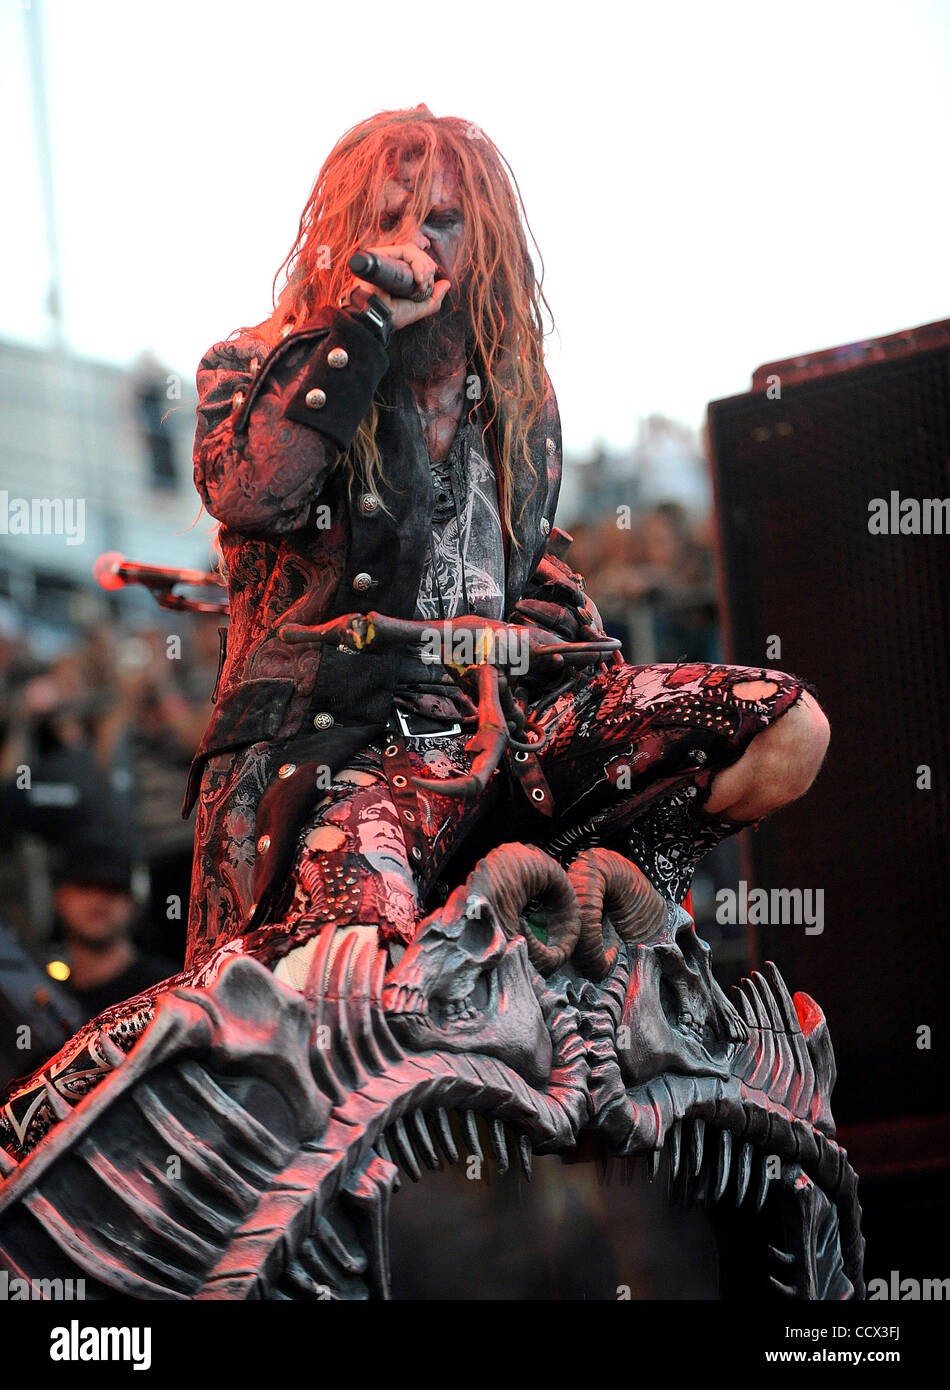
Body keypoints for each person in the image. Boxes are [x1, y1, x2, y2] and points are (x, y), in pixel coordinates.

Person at [0, 105, 829, 1159]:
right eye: (388, 219)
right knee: (363, 988)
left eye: (441, 219)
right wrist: (358, 334)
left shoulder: (517, 405)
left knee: (783, 725)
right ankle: (73, 1116)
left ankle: (624, 868)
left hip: (491, 754)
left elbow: (528, 574)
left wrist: (578, 667)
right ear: (345, 232)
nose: (416, 242)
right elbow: (253, 492)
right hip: (332, 759)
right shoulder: (255, 364)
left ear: (481, 237)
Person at [47, 838, 179, 1022]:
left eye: (113, 889)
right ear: (60, 897)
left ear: (134, 905)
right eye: (85, 886)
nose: (97, 902)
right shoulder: (46, 997)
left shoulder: (170, 990)